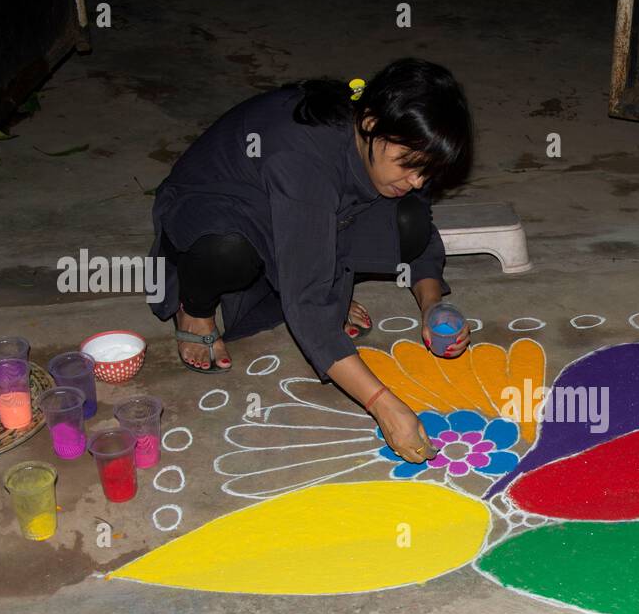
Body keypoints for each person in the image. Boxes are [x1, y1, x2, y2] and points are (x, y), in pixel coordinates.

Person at [147, 58, 472, 464]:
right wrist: (385, 406)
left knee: (407, 219)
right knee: (230, 253)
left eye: (429, 170)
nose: (419, 181)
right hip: (216, 208)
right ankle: (193, 306)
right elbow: (307, 303)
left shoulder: (391, 143)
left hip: (295, 207)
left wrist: (431, 302)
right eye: (411, 165)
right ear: (370, 123)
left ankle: (305, 270)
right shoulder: (304, 155)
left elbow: (419, 224)